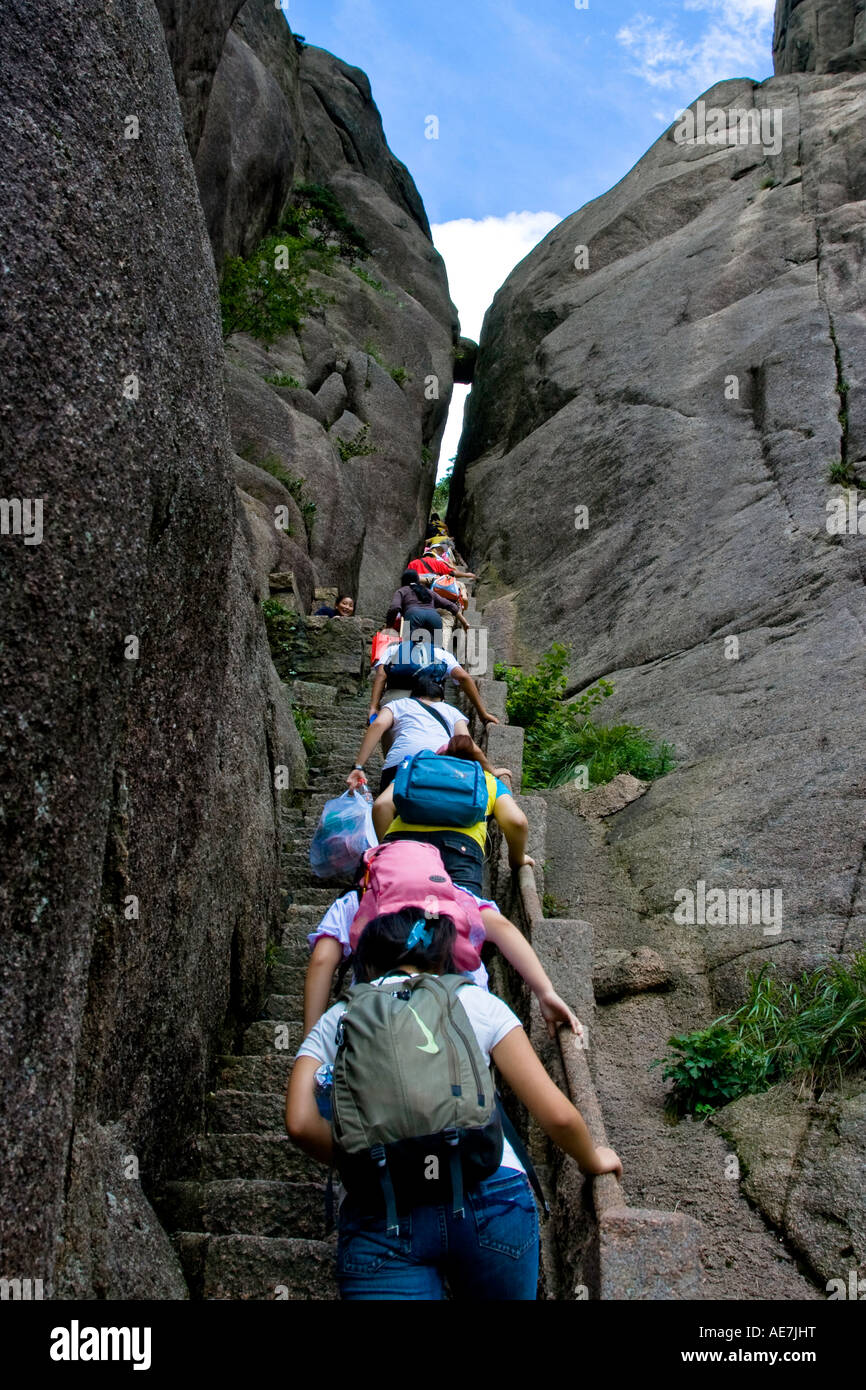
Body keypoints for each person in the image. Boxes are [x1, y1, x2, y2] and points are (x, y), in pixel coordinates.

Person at [286, 908, 622, 1301]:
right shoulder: (475, 1002)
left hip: (382, 1207)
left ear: (368, 959)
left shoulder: (338, 1017)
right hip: (490, 1197)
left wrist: (367, 1152)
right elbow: (559, 1116)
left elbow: (299, 1122)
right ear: (441, 958)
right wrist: (592, 1159)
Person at [302, 836, 579, 1038]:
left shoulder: (357, 901)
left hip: (377, 1019)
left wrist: (312, 1042)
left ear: (371, 871)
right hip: (463, 1017)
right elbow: (504, 930)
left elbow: (322, 961)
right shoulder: (454, 896)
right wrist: (545, 992)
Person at [372, 732, 532, 895]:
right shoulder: (486, 779)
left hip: (402, 845)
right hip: (459, 853)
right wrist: (516, 860)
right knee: (461, 914)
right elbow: (517, 822)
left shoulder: (415, 771)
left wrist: (386, 848)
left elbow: (381, 806)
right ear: (475, 762)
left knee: (385, 905)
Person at [349, 666, 469, 796]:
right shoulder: (450, 710)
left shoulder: (399, 703)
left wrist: (358, 766)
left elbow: (377, 724)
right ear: (443, 699)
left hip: (399, 766)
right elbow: (466, 742)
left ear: (413, 696)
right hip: (441, 766)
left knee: (391, 808)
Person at [368, 636, 498, 733]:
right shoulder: (441, 653)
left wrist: (373, 707)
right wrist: (482, 713)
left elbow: (381, 676)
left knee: (388, 731)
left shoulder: (393, 649)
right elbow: (464, 677)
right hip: (429, 703)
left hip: (394, 700)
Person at [385, 570, 468, 643]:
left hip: (414, 617)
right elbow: (449, 605)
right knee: (436, 650)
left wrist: (389, 626)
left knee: (409, 648)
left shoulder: (402, 591)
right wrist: (464, 622)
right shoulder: (428, 591)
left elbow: (394, 608)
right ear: (418, 580)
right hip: (434, 618)